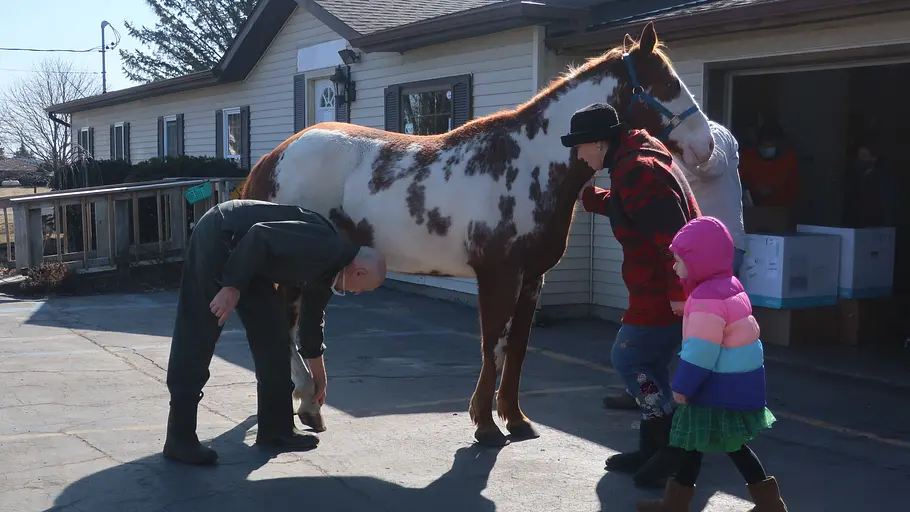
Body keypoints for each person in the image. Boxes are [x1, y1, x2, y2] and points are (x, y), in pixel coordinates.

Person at [163, 199, 387, 465]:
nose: (358, 293)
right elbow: (259, 234)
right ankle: (180, 437)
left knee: (275, 338)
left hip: (254, 259)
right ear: (359, 271)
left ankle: (277, 430)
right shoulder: (323, 245)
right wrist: (232, 286)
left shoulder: (330, 272)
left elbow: (312, 323)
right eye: (363, 288)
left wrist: (319, 377)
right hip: (220, 236)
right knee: (199, 333)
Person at [563, 102, 701, 488]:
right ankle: (652, 449)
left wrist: (677, 292)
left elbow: (671, 235)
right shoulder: (634, 162)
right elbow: (636, 209)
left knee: (629, 360)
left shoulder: (638, 169)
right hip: (656, 285)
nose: (578, 154)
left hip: (664, 289)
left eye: (579, 146)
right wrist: (593, 200)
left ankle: (673, 446)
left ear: (598, 143)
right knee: (650, 368)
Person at [636, 216, 786, 512]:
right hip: (735, 384)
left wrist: (682, 387)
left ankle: (768, 505)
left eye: (679, 261)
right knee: (705, 447)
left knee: (718, 446)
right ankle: (678, 504)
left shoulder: (706, 298)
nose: (674, 267)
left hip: (713, 390)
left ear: (700, 262)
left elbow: (700, 352)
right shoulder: (729, 286)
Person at [604, 120, 747, 413]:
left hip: (710, 252)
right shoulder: (653, 161)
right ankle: (658, 409)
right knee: (654, 356)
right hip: (694, 253)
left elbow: (709, 166)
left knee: (641, 357)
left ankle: (669, 415)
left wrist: (678, 292)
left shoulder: (710, 136)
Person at [738, 121, 800, 207]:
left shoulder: (789, 160)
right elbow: (738, 183)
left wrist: (774, 192)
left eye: (771, 145)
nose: (767, 148)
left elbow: (794, 191)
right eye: (764, 145)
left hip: (780, 210)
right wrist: (754, 189)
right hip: (752, 210)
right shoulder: (747, 158)